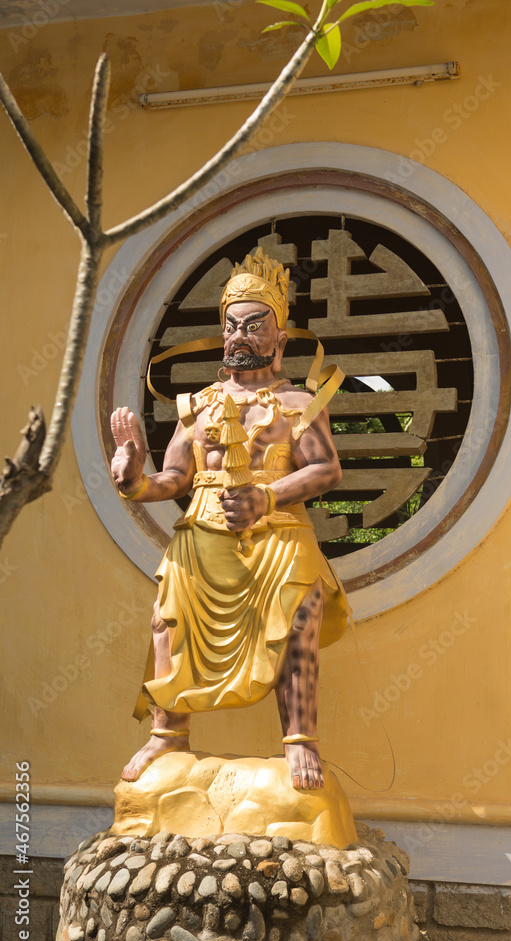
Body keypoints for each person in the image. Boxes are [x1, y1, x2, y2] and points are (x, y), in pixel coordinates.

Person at [110, 249, 349, 791]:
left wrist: (269, 499)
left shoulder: (298, 401)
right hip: (202, 532)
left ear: (280, 337)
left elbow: (326, 468)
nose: (239, 335)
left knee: (298, 619)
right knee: (165, 620)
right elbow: (174, 478)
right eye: (231, 325)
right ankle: (168, 733)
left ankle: (300, 742)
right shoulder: (196, 404)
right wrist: (134, 479)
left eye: (253, 325)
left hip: (278, 537)